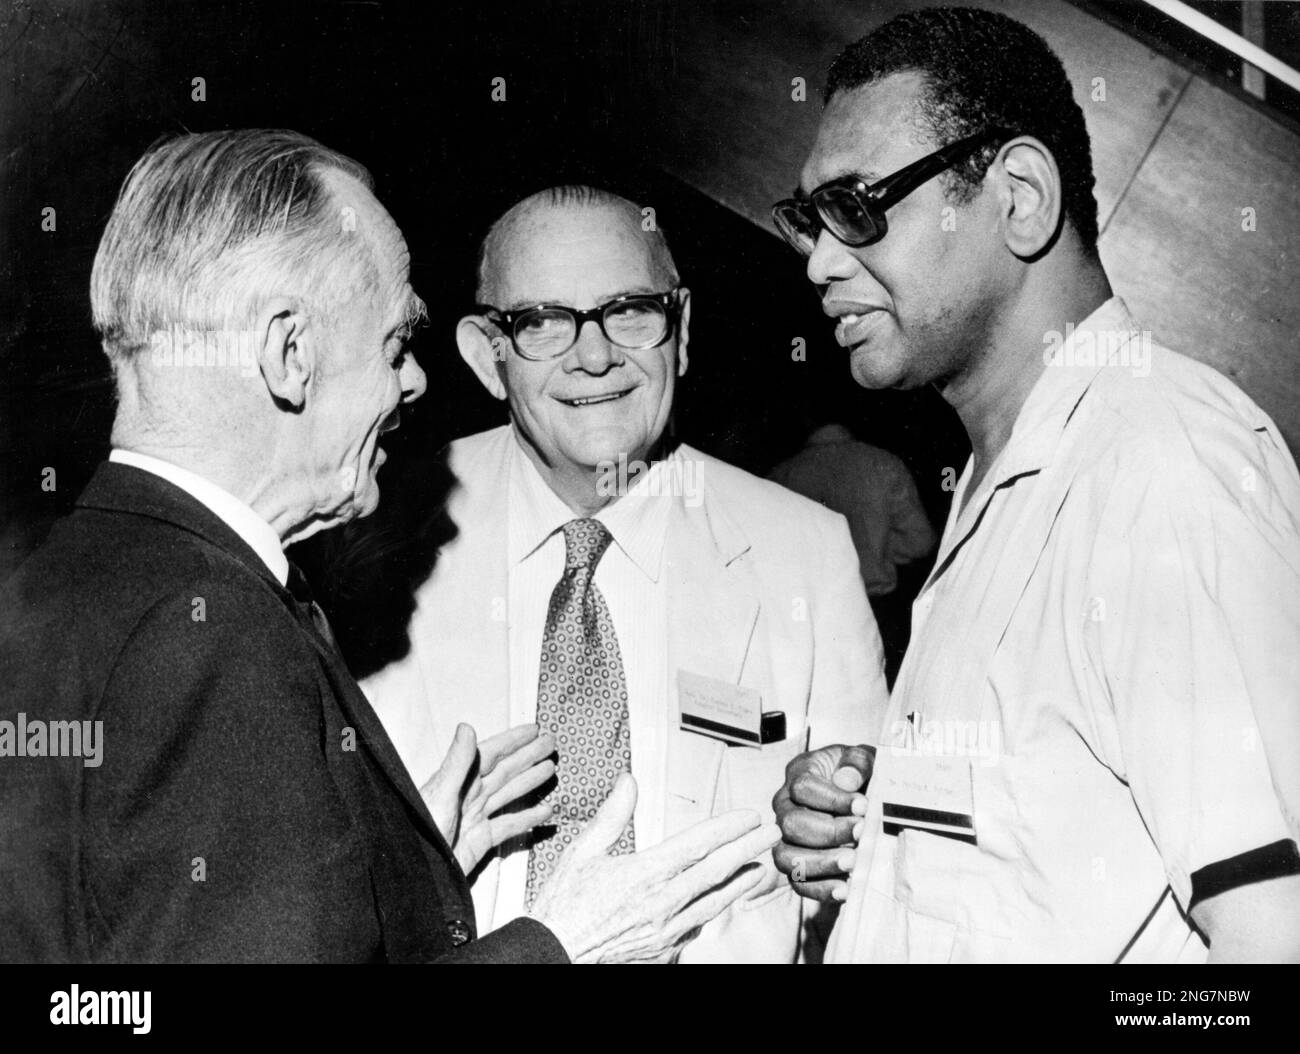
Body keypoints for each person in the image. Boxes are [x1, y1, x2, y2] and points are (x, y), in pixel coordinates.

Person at [0, 129, 779, 964]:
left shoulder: (62, 578)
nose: (412, 384)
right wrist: (564, 946)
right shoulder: (214, 637)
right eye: (395, 346)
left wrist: (403, 868)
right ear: (289, 355)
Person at [768, 7, 1300, 962]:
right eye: (809, 218)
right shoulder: (1003, 476)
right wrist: (895, 811)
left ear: (1018, 196)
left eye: (855, 206)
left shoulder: (1163, 467)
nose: (819, 260)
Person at [361, 185, 887, 961]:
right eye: (542, 322)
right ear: (486, 354)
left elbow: (861, 884)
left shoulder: (805, 554)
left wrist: (842, 833)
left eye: (629, 310)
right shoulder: (373, 539)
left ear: (680, 331)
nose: (596, 354)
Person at [768, 418, 935, 679]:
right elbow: (920, 542)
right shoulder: (883, 463)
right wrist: (878, 551)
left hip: (809, 617)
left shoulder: (783, 474)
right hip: (877, 610)